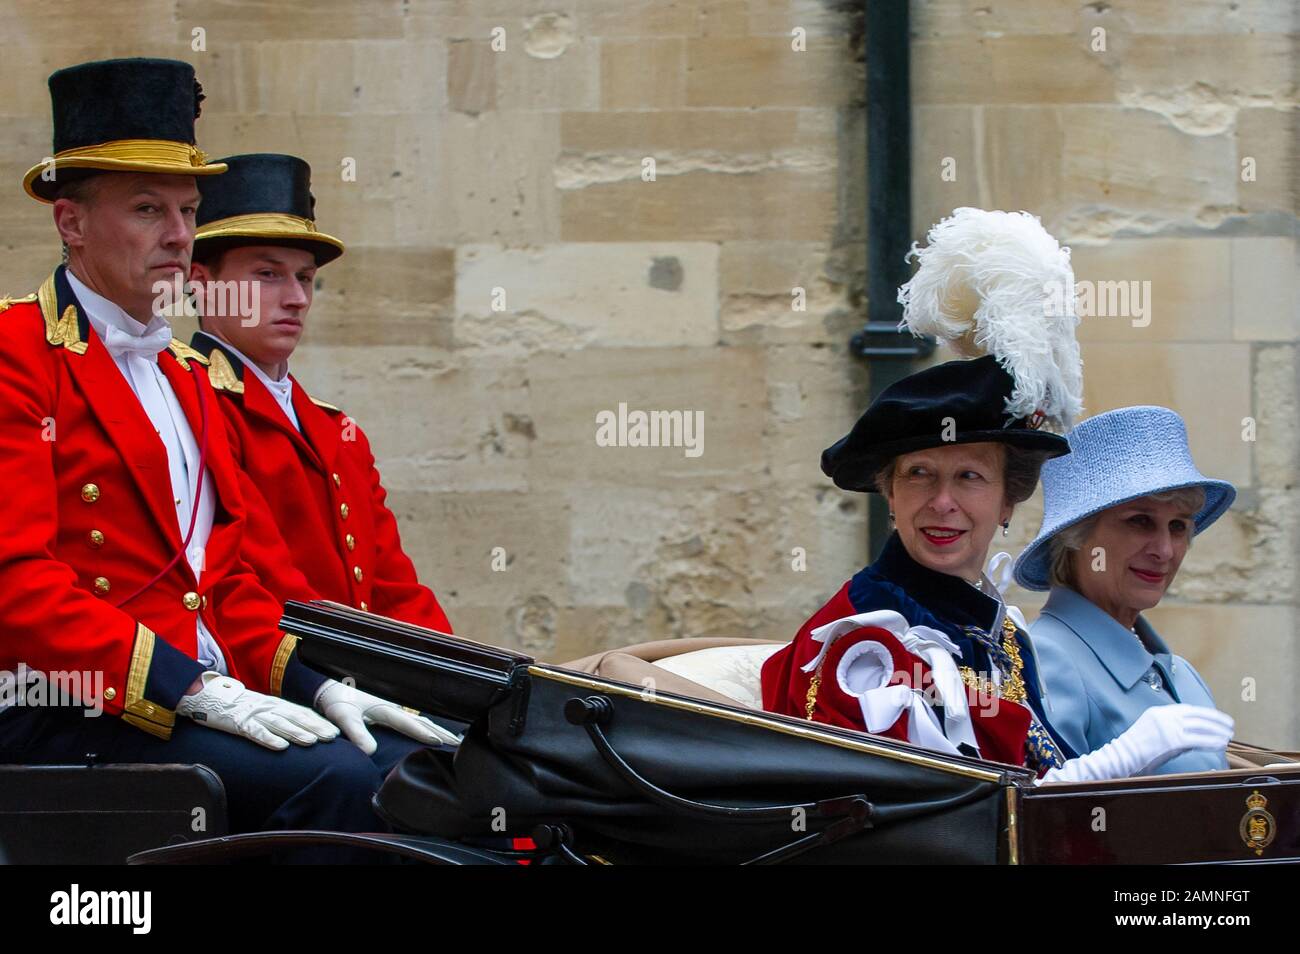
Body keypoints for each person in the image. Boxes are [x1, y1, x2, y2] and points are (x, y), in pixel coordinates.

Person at [0, 58, 453, 862]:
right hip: (74, 705)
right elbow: (17, 584)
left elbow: (229, 579)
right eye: (148, 210)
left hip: (201, 698)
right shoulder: (18, 353)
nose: (178, 236)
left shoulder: (185, 376)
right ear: (72, 222)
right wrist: (193, 688)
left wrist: (321, 686)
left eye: (187, 210)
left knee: (421, 769)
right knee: (346, 783)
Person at [762, 208, 1224, 784]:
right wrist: (1116, 761)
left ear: (1009, 502)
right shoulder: (869, 638)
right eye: (920, 475)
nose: (942, 503)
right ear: (890, 495)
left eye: (970, 478)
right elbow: (931, 822)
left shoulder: (1002, 636)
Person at [184, 153, 453, 630]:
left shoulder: (335, 427)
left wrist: (468, 682)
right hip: (276, 684)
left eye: (305, 278)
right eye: (268, 274)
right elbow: (270, 588)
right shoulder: (193, 403)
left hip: (355, 682)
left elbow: (395, 588)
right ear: (204, 284)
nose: (297, 298)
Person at [1011, 406, 1236, 775]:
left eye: (1178, 527)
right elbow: (1039, 815)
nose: (1164, 551)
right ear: (1075, 537)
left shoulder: (1182, 673)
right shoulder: (1047, 660)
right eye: (1140, 521)